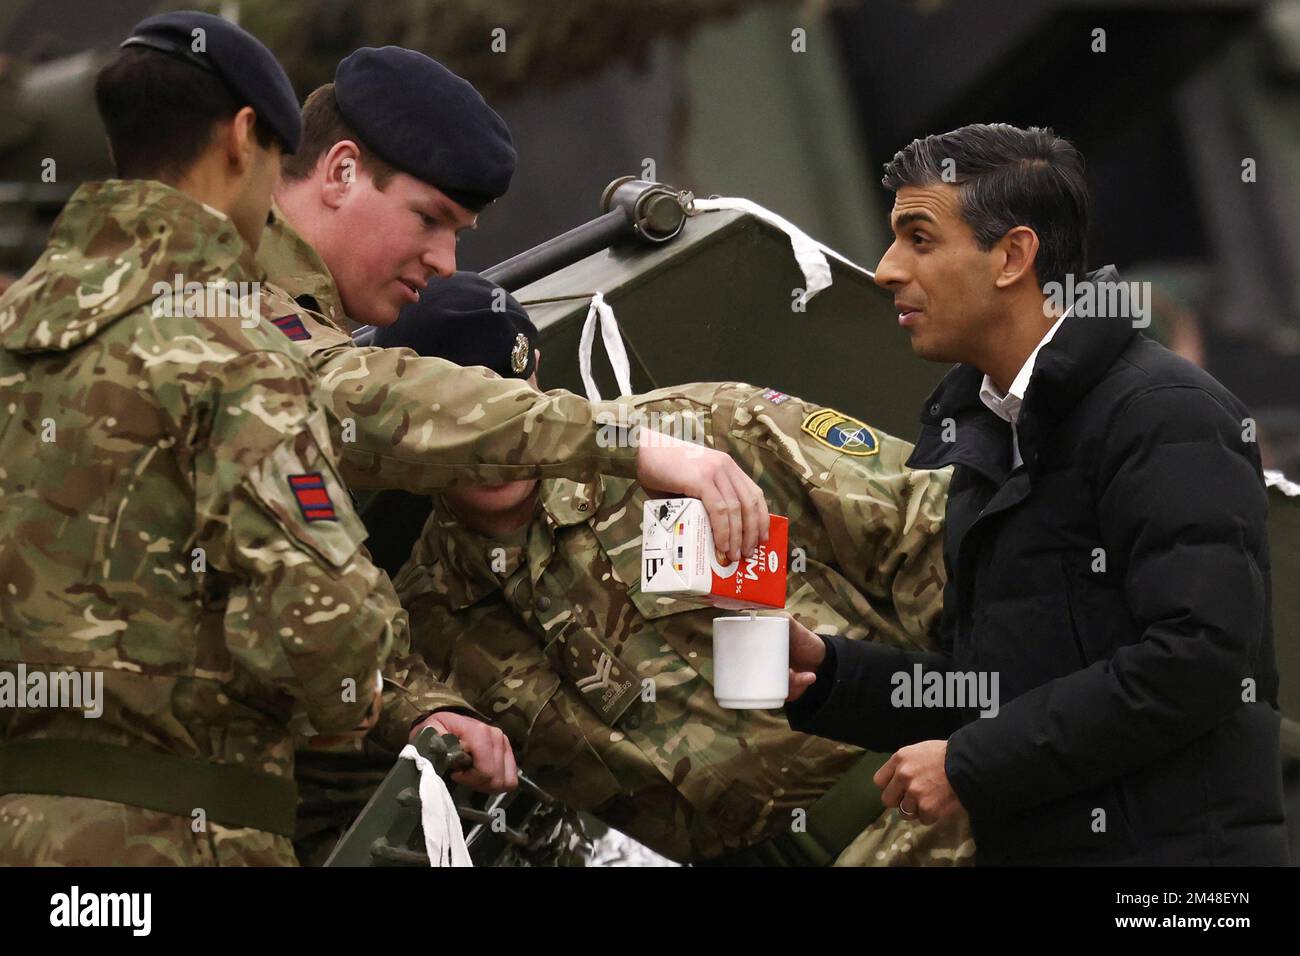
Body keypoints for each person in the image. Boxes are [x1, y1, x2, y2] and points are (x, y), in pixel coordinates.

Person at [258, 47, 769, 863]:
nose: (442, 264)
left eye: (458, 235)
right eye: (428, 220)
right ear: (342, 170)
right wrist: (628, 444)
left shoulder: (286, 312)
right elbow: (356, 399)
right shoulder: (230, 299)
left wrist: (415, 705)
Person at [786, 123, 1287, 865]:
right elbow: (988, 690)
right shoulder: (991, 433)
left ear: (1013, 256)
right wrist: (827, 673)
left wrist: (968, 764)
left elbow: (1196, 661)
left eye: (919, 238)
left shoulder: (1165, 411)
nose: (887, 270)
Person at [0, 11, 419, 866]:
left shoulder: (13, 329)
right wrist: (369, 677)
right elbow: (325, 630)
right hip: (187, 836)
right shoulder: (230, 348)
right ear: (241, 140)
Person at [385, 273, 974, 866]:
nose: (500, 448)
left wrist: (986, 732)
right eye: (468, 430)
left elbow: (932, 539)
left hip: (922, 803)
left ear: (535, 369)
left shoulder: (703, 431)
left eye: (515, 409)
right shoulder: (421, 622)